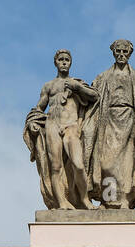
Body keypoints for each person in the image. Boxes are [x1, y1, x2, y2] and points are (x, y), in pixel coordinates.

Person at [82, 39, 135, 209]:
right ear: (113, 53)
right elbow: (92, 97)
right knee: (106, 162)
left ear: (130, 54)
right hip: (108, 119)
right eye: (118, 52)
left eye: (125, 52)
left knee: (128, 163)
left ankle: (125, 201)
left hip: (130, 119)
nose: (121, 55)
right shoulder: (103, 77)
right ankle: (108, 199)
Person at [24, 50, 98, 210]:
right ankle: (62, 202)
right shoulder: (49, 86)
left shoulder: (76, 82)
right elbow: (39, 107)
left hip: (71, 126)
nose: (64, 62)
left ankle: (85, 200)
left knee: (78, 165)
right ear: (55, 63)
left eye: (67, 60)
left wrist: (76, 87)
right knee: (55, 166)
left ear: (70, 63)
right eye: (61, 59)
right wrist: (33, 121)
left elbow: (94, 96)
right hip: (52, 124)